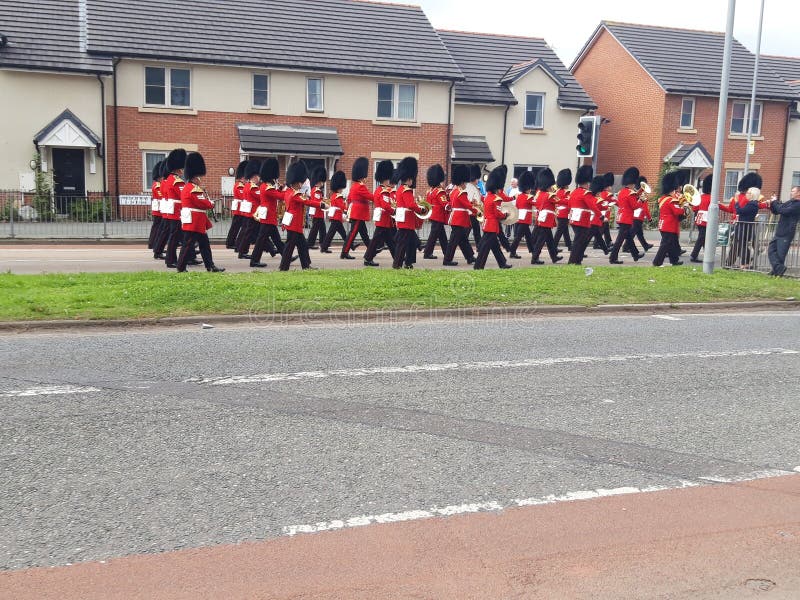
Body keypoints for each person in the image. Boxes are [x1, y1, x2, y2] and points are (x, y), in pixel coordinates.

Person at [176, 152, 224, 273]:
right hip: (195, 221)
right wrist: (211, 204)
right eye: (199, 177)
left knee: (203, 245)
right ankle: (181, 267)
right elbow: (202, 203)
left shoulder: (188, 187)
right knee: (188, 245)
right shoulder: (194, 189)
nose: (200, 179)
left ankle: (210, 266)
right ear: (194, 177)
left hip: (195, 220)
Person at [279, 162, 324, 271]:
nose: (301, 184)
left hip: (294, 224)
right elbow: (307, 202)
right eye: (300, 183)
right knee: (289, 247)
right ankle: (284, 267)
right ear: (296, 183)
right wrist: (321, 204)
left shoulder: (289, 192)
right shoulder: (295, 194)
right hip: (294, 224)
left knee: (302, 246)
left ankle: (306, 265)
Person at [473, 165, 512, 270]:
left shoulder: (488, 197)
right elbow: (497, 214)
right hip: (492, 226)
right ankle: (478, 266)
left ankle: (502, 263)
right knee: (485, 248)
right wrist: (506, 215)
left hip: (487, 224)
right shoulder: (496, 198)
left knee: (495, 247)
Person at [250, 159, 287, 268]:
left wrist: (280, 187)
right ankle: (254, 260)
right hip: (268, 216)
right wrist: (287, 189)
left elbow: (276, 193)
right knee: (261, 240)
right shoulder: (267, 188)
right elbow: (281, 196)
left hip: (269, 216)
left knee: (276, 239)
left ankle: (286, 255)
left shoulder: (264, 186)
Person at [364, 160, 397, 266]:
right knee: (375, 241)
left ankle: (398, 258)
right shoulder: (384, 191)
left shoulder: (378, 190)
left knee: (390, 241)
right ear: (386, 179)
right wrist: (394, 211)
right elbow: (386, 205)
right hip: (383, 219)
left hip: (383, 219)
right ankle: (368, 259)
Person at [442, 164, 477, 266]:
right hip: (459, 219)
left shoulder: (454, 192)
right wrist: (477, 211)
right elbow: (467, 205)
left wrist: (472, 203)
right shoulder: (461, 192)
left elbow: (463, 203)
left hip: (456, 218)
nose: (466, 184)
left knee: (463, 240)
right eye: (465, 182)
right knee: (454, 241)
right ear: (462, 182)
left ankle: (470, 257)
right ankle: (447, 260)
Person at [608, 167, 643, 264]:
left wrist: (639, 193)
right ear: (633, 182)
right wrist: (641, 201)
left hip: (621, 216)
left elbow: (626, 201)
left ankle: (635, 254)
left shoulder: (622, 192)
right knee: (619, 240)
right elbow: (634, 206)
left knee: (628, 237)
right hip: (626, 219)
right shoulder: (630, 193)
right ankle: (613, 258)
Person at [652, 171, 686, 267]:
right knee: (665, 244)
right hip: (669, 225)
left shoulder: (663, 198)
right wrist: (684, 207)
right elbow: (677, 212)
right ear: (672, 188)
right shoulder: (671, 200)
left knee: (672, 244)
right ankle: (657, 262)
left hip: (666, 224)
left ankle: (674, 260)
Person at [529, 168, 562, 264]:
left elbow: (537, 204)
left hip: (542, 218)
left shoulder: (539, 194)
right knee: (541, 240)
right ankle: (534, 258)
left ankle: (554, 257)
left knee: (550, 240)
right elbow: (560, 201)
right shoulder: (549, 195)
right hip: (547, 219)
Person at [342, 157, 372, 259]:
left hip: (356, 212)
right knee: (353, 233)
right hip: (358, 213)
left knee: (364, 234)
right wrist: (379, 197)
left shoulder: (354, 185)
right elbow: (369, 196)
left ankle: (371, 249)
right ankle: (344, 252)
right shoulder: (360, 186)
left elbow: (349, 198)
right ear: (362, 176)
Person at [731, 173, 762, 268]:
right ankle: (731, 262)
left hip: (743, 226)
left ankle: (744, 263)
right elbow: (731, 209)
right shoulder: (751, 202)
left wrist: (736, 201)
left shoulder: (751, 203)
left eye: (749, 193)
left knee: (741, 246)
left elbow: (739, 210)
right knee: (737, 245)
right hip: (741, 224)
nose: (747, 194)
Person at [768, 185, 800, 277]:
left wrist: (775, 202)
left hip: (787, 232)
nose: (791, 192)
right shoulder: (790, 202)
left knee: (780, 254)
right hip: (780, 230)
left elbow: (783, 211)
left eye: (793, 191)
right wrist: (773, 203)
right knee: (771, 250)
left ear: (799, 193)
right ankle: (778, 269)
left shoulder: (797, 205)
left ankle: (777, 272)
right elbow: (777, 210)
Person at [567, 165, 596, 265]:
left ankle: (578, 260)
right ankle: (572, 261)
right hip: (582, 220)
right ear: (587, 183)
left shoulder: (574, 192)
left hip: (574, 218)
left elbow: (569, 204)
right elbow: (593, 206)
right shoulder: (586, 193)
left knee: (580, 241)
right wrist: (600, 215)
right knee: (579, 241)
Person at [235, 159, 262, 259]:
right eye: (258, 176)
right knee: (249, 234)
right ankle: (242, 252)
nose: (259, 178)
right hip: (253, 213)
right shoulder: (253, 187)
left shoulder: (247, 186)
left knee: (251, 233)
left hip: (251, 212)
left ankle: (242, 251)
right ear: (254, 176)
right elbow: (260, 198)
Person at [422, 164, 449, 260]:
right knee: (433, 236)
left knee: (442, 236)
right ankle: (427, 253)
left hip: (433, 215)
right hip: (439, 216)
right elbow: (445, 204)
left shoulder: (430, 191)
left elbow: (428, 203)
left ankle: (447, 253)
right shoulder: (440, 191)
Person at [508, 170, 536, 259]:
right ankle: (512, 251)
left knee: (528, 236)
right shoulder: (529, 197)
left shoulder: (519, 196)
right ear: (528, 187)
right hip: (525, 219)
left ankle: (533, 251)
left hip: (519, 217)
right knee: (518, 237)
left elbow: (517, 206)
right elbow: (536, 204)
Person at [320, 171, 349, 253]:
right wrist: (346, 207)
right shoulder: (338, 196)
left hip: (335, 217)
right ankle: (324, 247)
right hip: (336, 217)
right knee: (330, 234)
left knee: (342, 233)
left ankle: (351, 245)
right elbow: (341, 207)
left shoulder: (333, 195)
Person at [689, 174, 713, 263]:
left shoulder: (700, 197)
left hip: (699, 219)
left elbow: (695, 208)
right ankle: (693, 255)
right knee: (702, 237)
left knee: (704, 238)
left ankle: (707, 255)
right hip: (706, 221)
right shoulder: (711, 198)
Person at [225, 160, 248, 250]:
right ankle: (231, 243)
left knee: (237, 227)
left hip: (240, 209)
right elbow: (243, 197)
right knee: (236, 227)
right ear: (242, 177)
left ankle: (231, 242)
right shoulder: (239, 185)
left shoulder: (241, 185)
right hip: (239, 209)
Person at [306, 167, 328, 250]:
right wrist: (323, 203)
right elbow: (316, 202)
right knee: (316, 229)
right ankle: (313, 244)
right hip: (317, 213)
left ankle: (321, 244)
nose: (323, 183)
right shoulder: (316, 190)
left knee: (320, 229)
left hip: (318, 213)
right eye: (322, 182)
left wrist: (323, 200)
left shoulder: (315, 190)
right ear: (319, 181)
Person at [553, 169, 573, 251]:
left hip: (560, 213)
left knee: (565, 231)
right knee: (560, 231)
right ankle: (553, 246)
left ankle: (569, 246)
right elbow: (568, 201)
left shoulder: (558, 191)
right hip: (564, 213)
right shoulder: (566, 192)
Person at [147, 160, 164, 251]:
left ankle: (153, 243)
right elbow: (160, 196)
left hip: (159, 208)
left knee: (157, 227)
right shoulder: (157, 185)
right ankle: (154, 244)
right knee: (157, 227)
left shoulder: (158, 184)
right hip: (159, 209)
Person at [466, 164, 483, 245]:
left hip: (475, 212)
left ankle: (479, 246)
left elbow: (479, 198)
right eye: (477, 179)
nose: (478, 181)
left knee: (476, 231)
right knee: (468, 231)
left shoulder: (475, 187)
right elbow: (468, 200)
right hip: (471, 212)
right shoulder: (469, 187)